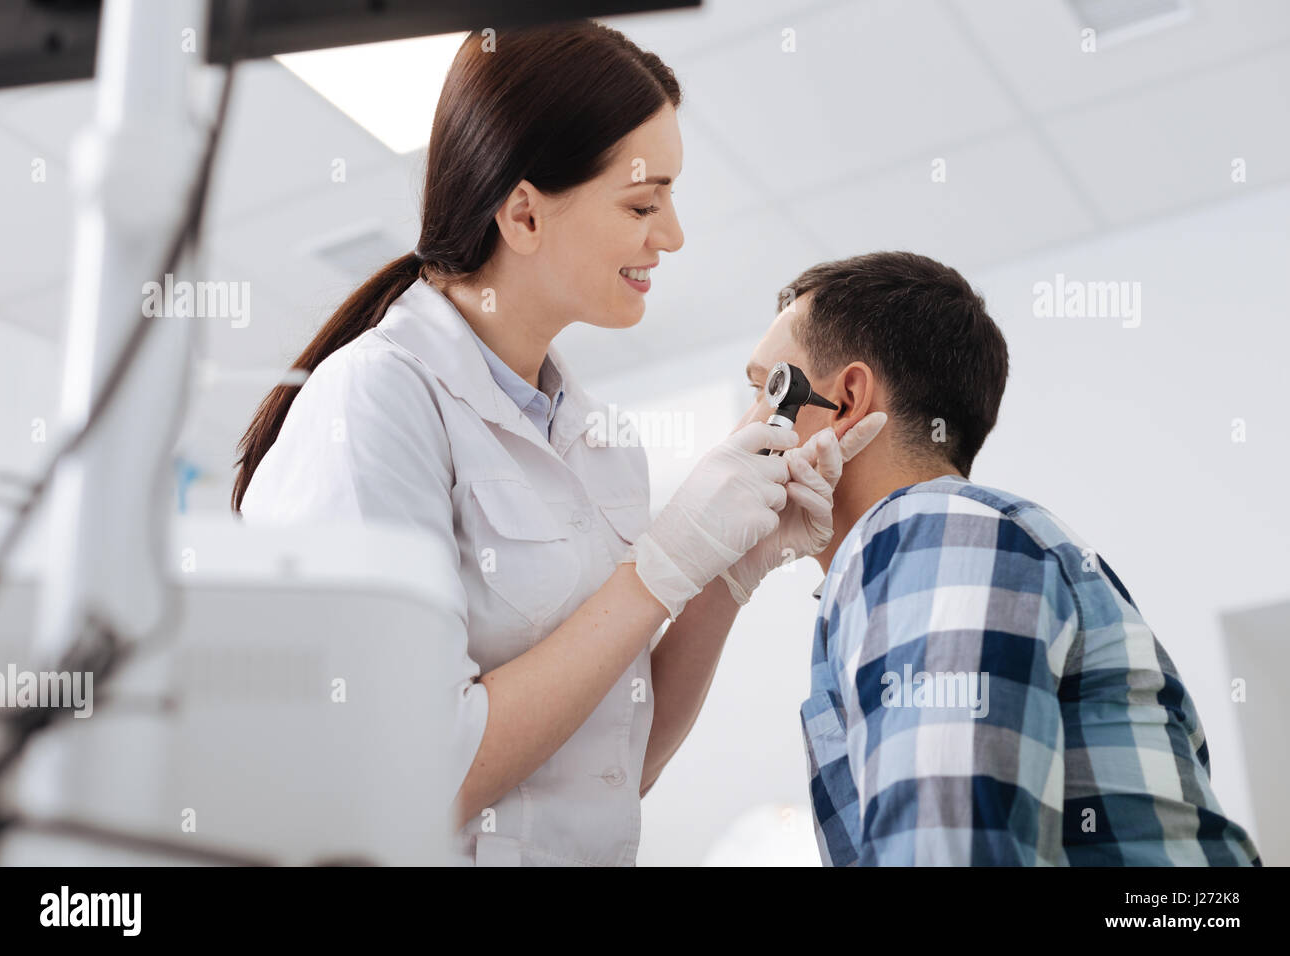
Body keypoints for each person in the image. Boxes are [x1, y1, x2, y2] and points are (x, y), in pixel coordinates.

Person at [231, 21, 881, 866]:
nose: (673, 234)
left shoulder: (603, 445)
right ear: (526, 213)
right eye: (645, 203)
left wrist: (726, 573)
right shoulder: (375, 400)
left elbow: (610, 767)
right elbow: (412, 776)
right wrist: (658, 569)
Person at [736, 250, 1261, 866]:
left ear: (846, 401)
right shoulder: (928, 542)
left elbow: (948, 852)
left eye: (763, 388)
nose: (743, 425)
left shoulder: (925, 533)